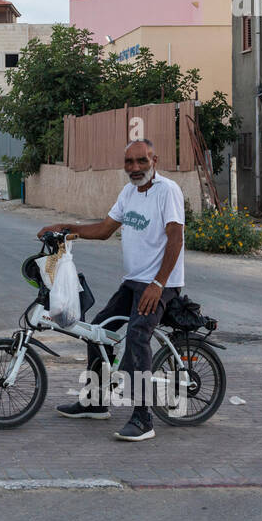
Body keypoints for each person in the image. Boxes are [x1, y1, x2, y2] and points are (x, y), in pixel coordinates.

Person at [36, 138, 185, 441]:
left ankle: (143, 420)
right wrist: (64, 229)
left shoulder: (167, 191)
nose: (135, 168)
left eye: (141, 161)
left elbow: (176, 239)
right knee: (96, 331)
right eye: (129, 162)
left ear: (154, 159)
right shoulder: (129, 193)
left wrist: (158, 284)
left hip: (160, 284)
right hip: (133, 282)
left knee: (137, 336)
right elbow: (104, 229)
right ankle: (96, 401)